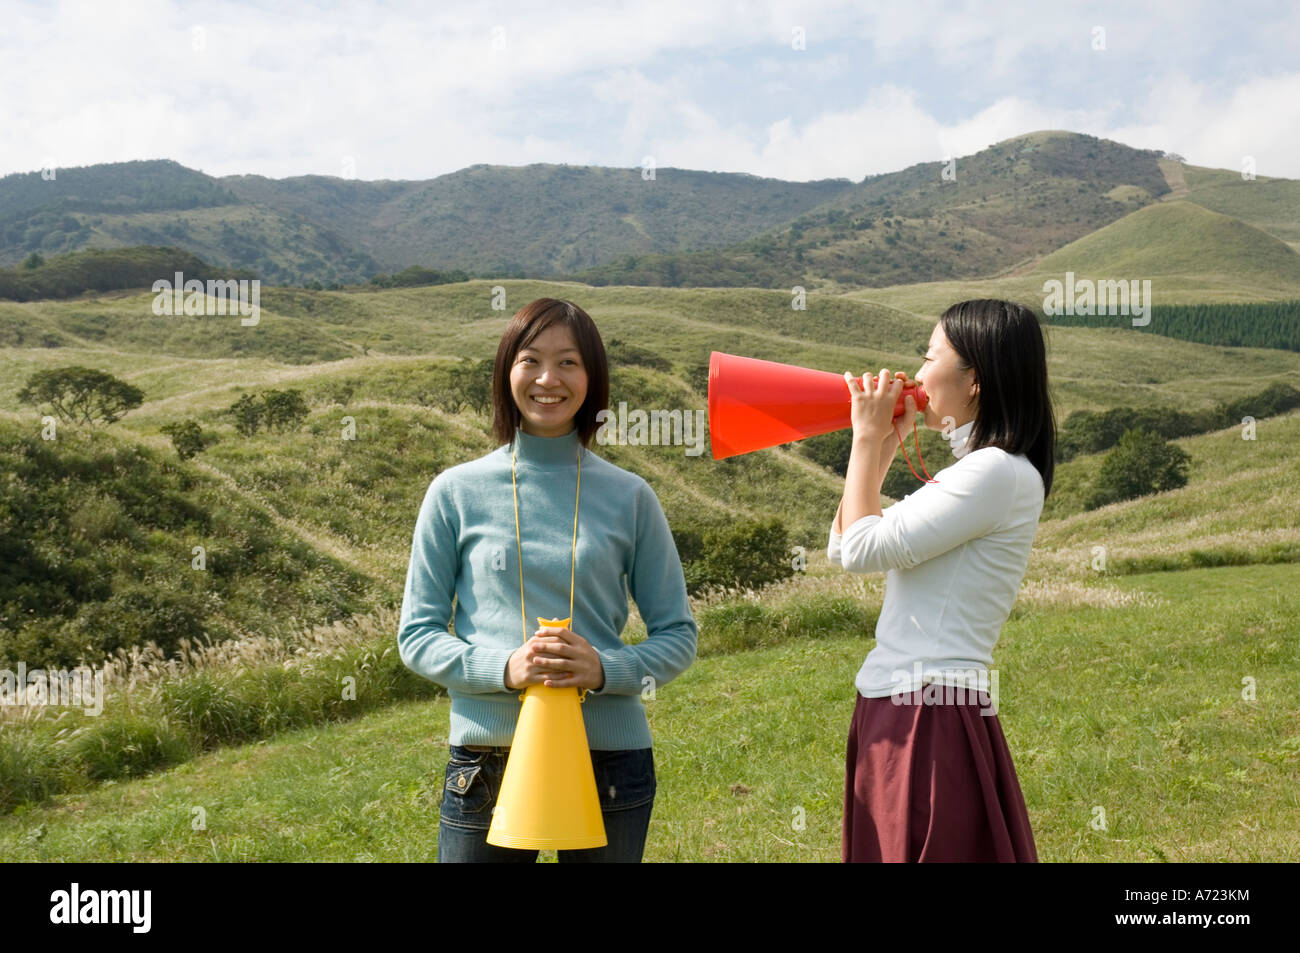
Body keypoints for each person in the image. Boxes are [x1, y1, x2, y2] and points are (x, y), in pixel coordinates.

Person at [398, 297, 697, 863]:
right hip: (489, 757)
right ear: (506, 370)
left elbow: (678, 634)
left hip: (609, 757)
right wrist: (503, 669)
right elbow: (416, 636)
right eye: (530, 359)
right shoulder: (455, 491)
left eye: (569, 363)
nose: (547, 379)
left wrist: (608, 668)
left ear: (593, 379)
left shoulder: (631, 496)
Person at [828, 298, 1055, 862]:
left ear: (974, 378)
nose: (917, 374)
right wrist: (880, 443)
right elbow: (843, 543)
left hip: (925, 710)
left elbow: (859, 549)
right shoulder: (982, 471)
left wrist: (864, 437)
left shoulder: (993, 472)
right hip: (914, 703)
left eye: (929, 357)